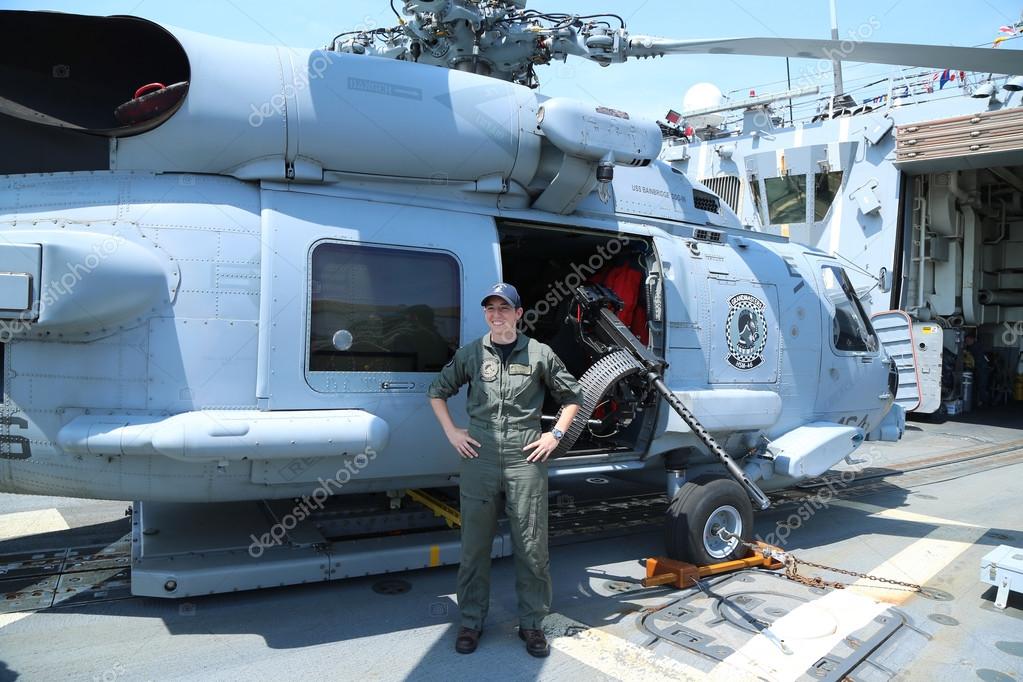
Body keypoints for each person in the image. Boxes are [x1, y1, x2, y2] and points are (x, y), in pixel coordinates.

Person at [428, 283, 582, 658]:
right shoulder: (471, 354)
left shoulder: (539, 354)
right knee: (474, 547)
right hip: (479, 459)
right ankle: (470, 621)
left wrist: (554, 436)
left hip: (525, 460)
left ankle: (532, 624)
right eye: (490, 309)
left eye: (503, 308)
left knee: (531, 546)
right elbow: (437, 391)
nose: (496, 315)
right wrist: (452, 433)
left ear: (518, 313)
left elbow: (573, 398)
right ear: (486, 314)